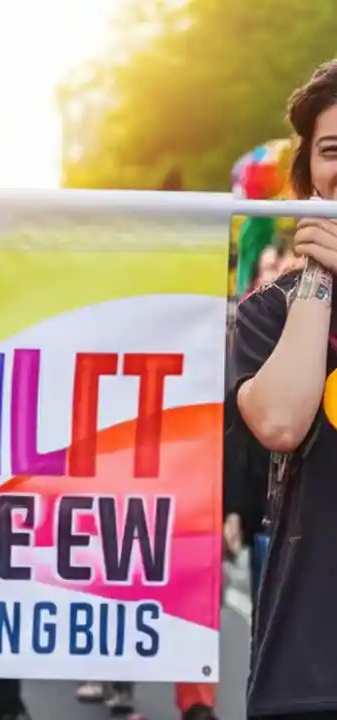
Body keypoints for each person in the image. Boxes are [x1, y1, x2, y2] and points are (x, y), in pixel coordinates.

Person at [231, 59, 337, 720]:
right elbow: (278, 423)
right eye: (332, 152)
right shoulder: (267, 311)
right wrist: (320, 277)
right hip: (310, 667)